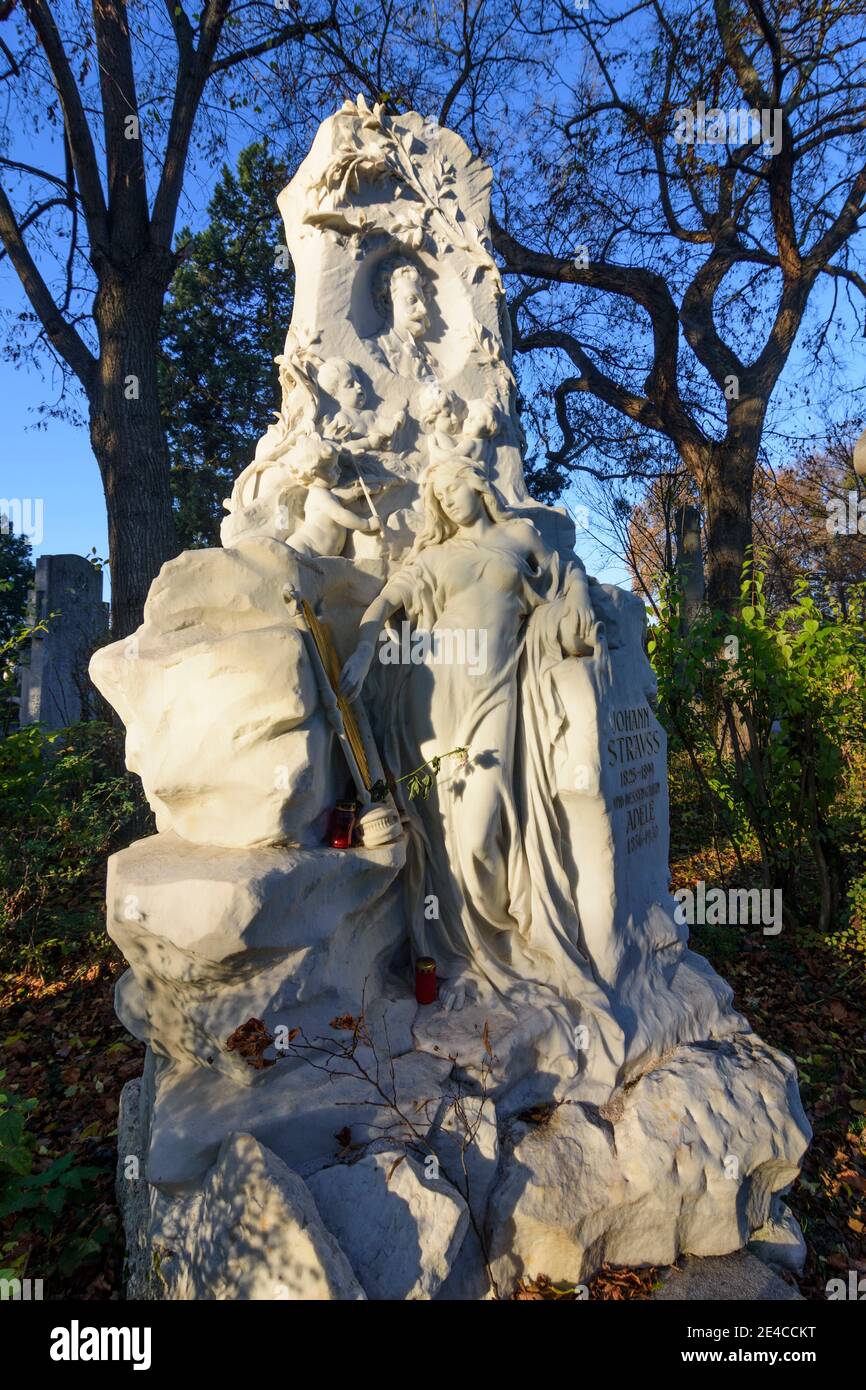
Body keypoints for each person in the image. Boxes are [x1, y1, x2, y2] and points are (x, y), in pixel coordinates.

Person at [338, 456, 623, 1086]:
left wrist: (574, 596)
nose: (447, 496)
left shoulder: (519, 538)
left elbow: (567, 574)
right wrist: (363, 650)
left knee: (478, 831)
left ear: (476, 485)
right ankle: (454, 959)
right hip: (431, 702)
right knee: (440, 834)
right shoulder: (432, 559)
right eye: (436, 491)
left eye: (453, 484)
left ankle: (499, 940)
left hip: (495, 695)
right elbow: (383, 604)